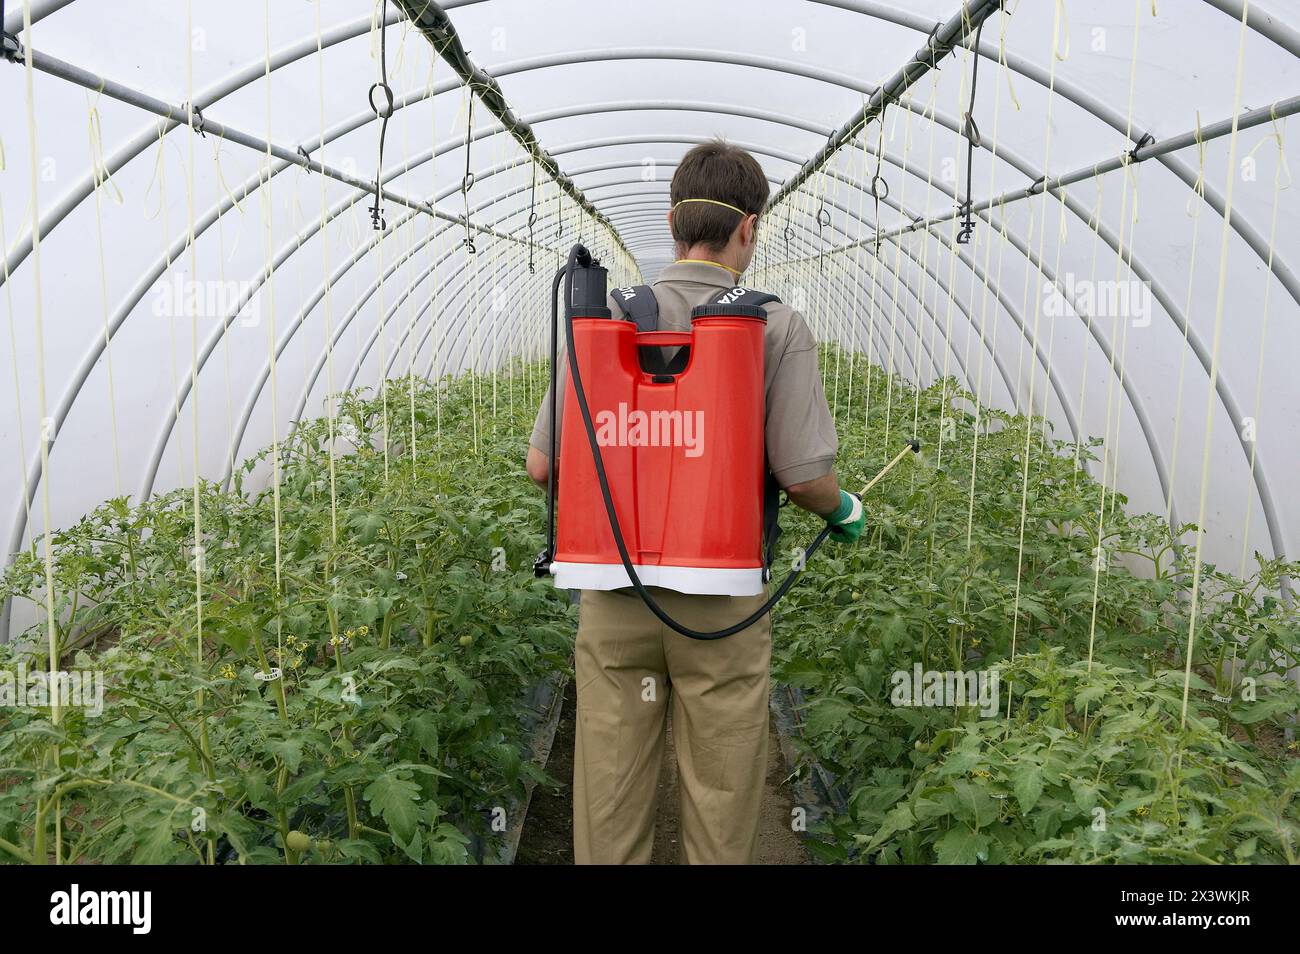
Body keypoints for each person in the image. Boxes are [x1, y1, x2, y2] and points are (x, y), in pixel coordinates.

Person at [525, 138, 864, 864]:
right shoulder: (773, 324)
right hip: (722, 604)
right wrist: (846, 512)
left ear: (672, 220)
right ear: (749, 227)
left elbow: (541, 465)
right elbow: (804, 478)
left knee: (610, 796)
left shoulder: (606, 318)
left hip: (616, 596)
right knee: (721, 794)